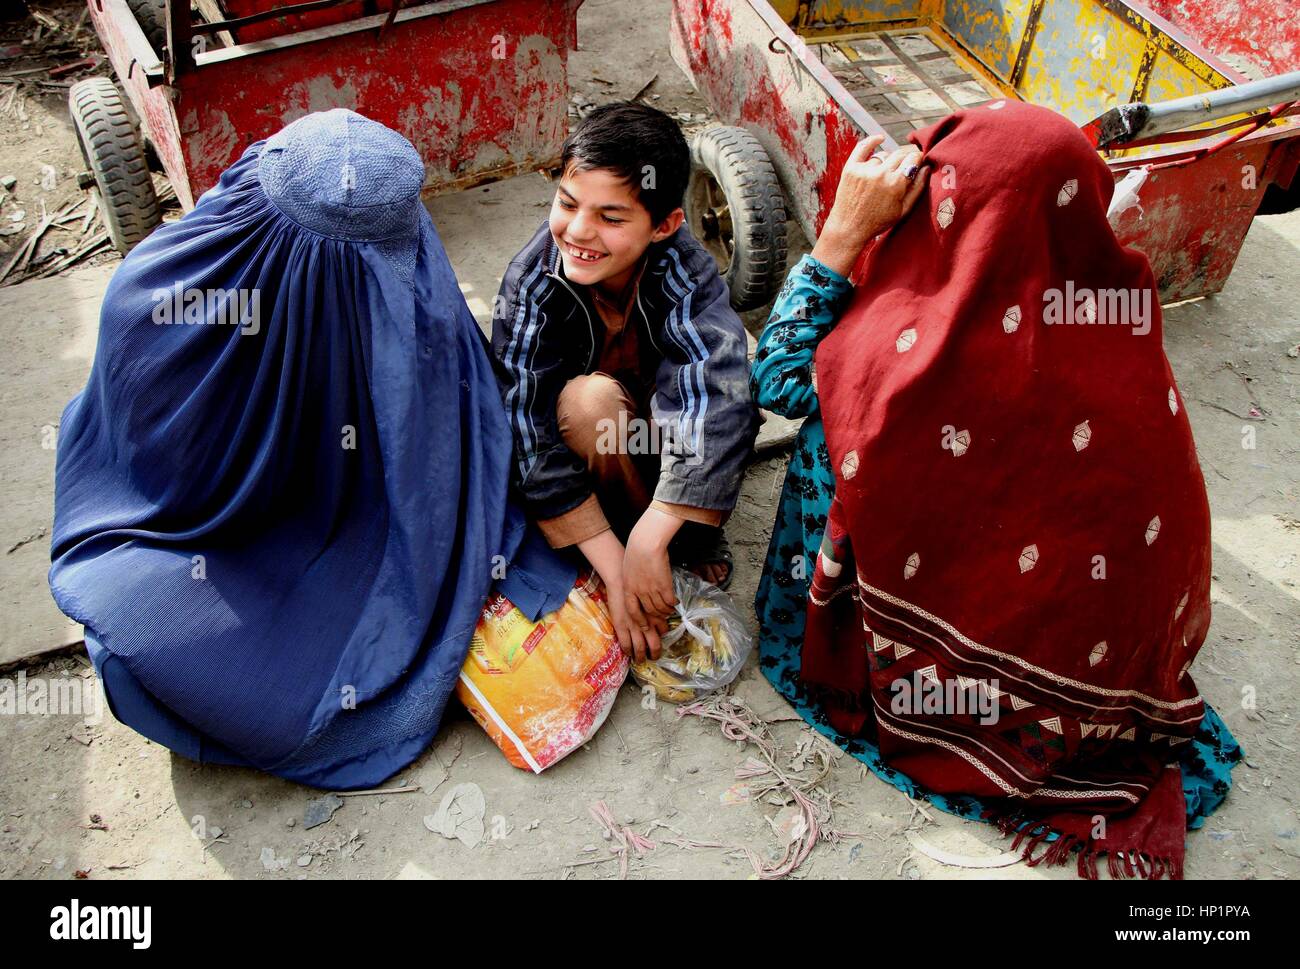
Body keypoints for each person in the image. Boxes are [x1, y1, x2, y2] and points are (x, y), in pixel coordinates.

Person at [752, 101, 1241, 878]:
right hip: (1105, 678)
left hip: (971, 685)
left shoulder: (896, 357)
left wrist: (843, 236)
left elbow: (776, 377)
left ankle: (843, 644)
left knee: (836, 429)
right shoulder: (1114, 316)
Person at [48, 109, 574, 790]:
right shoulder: (388, 307)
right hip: (209, 546)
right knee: (140, 631)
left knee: (138, 648)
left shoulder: (151, 288)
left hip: (233, 580)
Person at [492, 102, 759, 663]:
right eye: (567, 204)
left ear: (664, 226)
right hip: (590, 453)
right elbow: (523, 425)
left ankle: (684, 534)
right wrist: (617, 569)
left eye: (612, 218)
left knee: (724, 401)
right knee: (589, 404)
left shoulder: (686, 271)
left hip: (661, 446)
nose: (579, 232)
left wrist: (655, 532)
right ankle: (620, 543)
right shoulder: (532, 281)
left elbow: (718, 393)